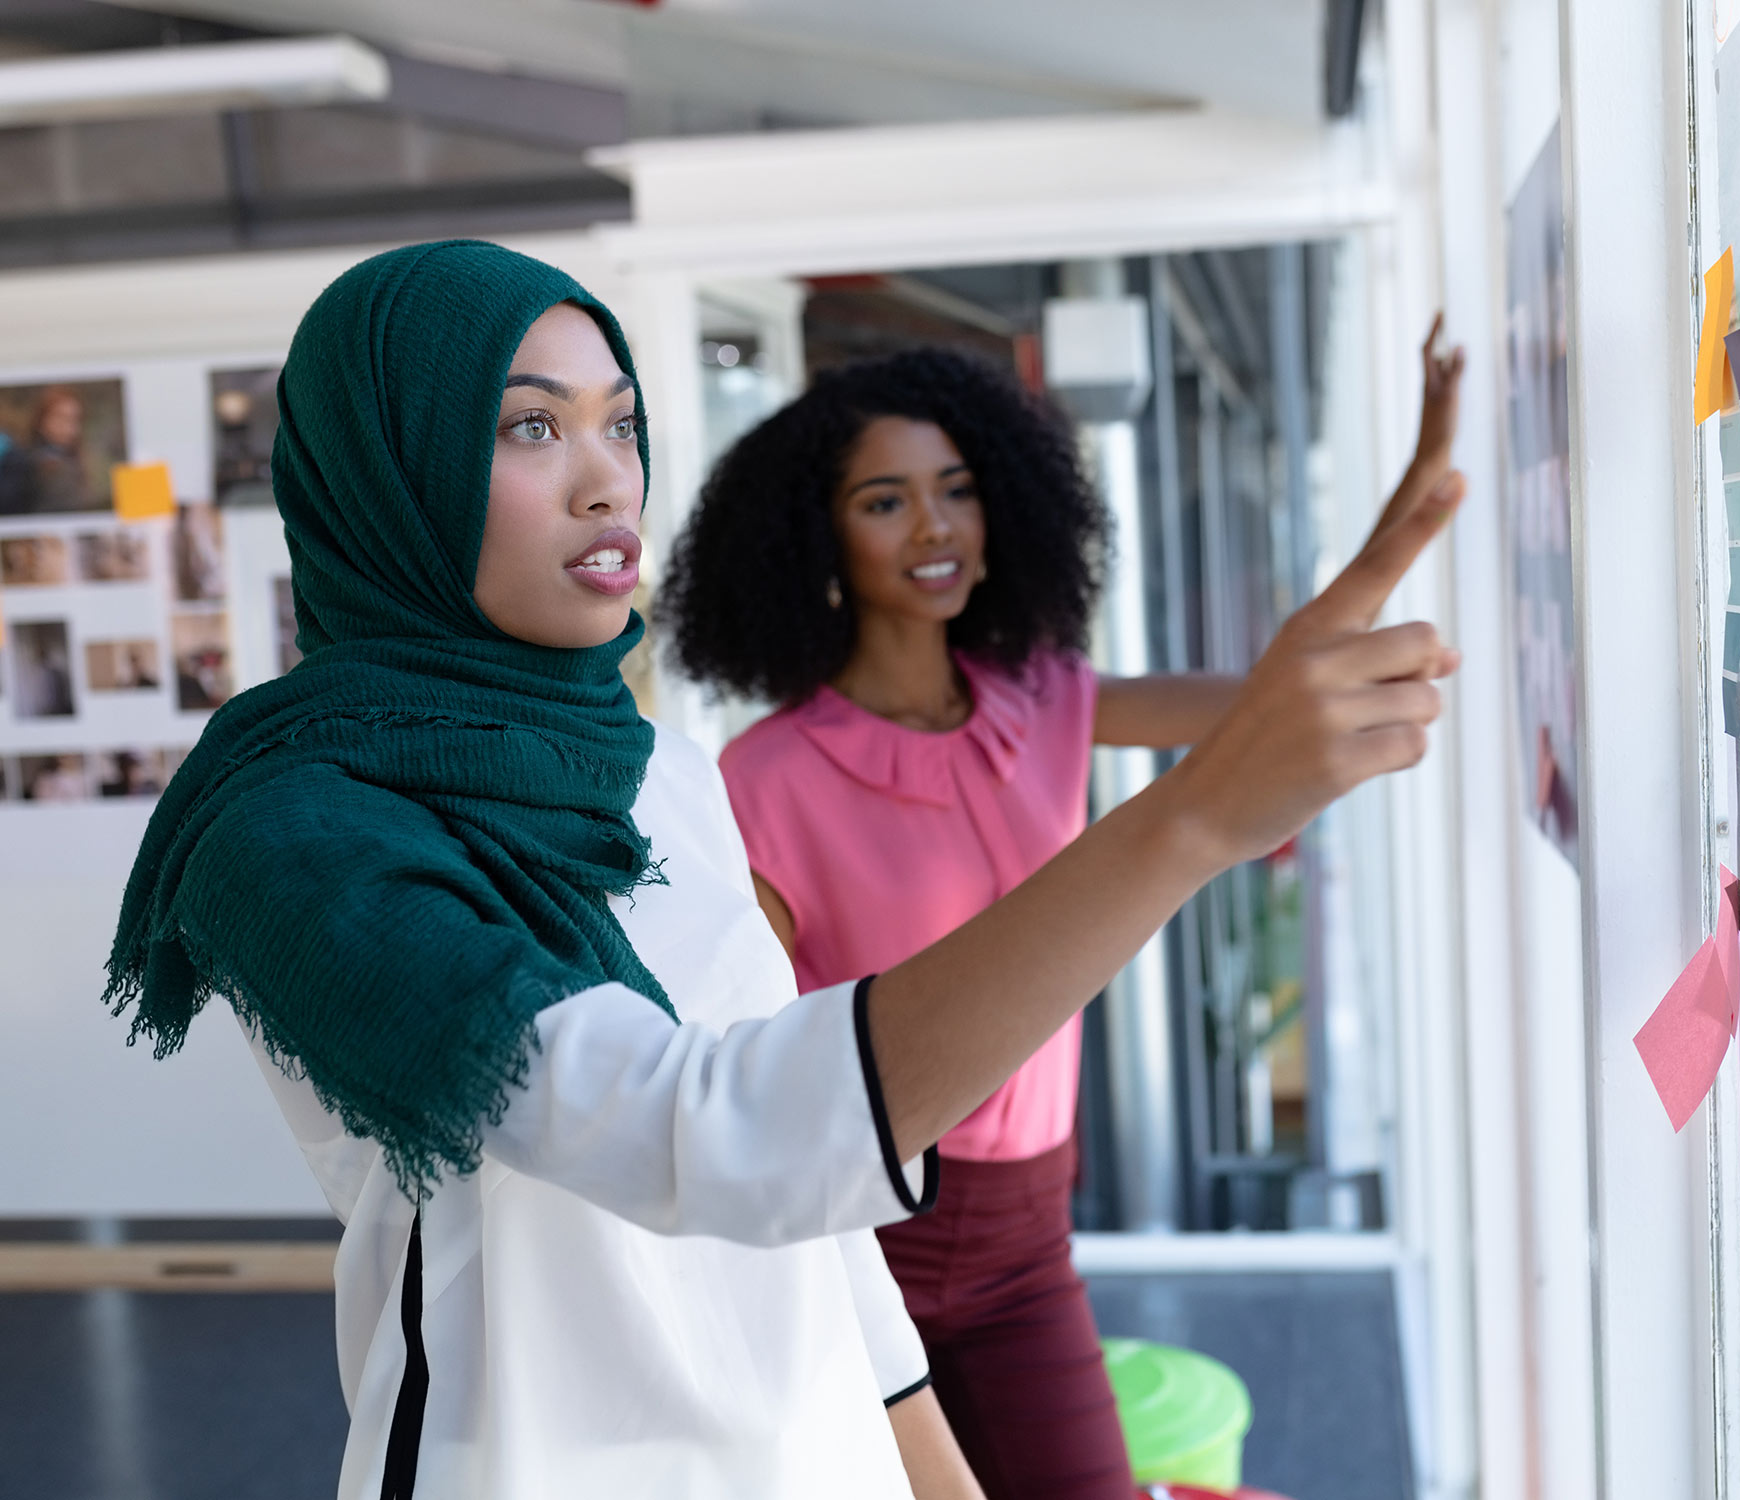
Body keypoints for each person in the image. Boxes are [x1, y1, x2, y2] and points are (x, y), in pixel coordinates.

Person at [103, 241, 1457, 1500]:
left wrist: (933, 1469)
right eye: (531, 425)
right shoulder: (287, 833)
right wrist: (1194, 823)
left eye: (619, 422)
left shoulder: (661, 771)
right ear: (384, 466)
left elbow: (808, 1233)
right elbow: (706, 1130)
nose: (606, 477)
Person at [662, 330, 1463, 1499]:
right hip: (856, 1242)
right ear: (817, 539)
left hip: (1029, 1239)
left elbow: (1277, 703)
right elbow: (762, 1070)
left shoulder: (1048, 700)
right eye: (885, 501)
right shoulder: (766, 779)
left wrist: (1419, 484)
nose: (935, 527)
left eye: (958, 491)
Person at [0, 386, 91, 514]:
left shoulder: (74, 462)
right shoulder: (20, 461)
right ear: (42, 420)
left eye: (75, 420)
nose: (70, 428)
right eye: (61, 418)